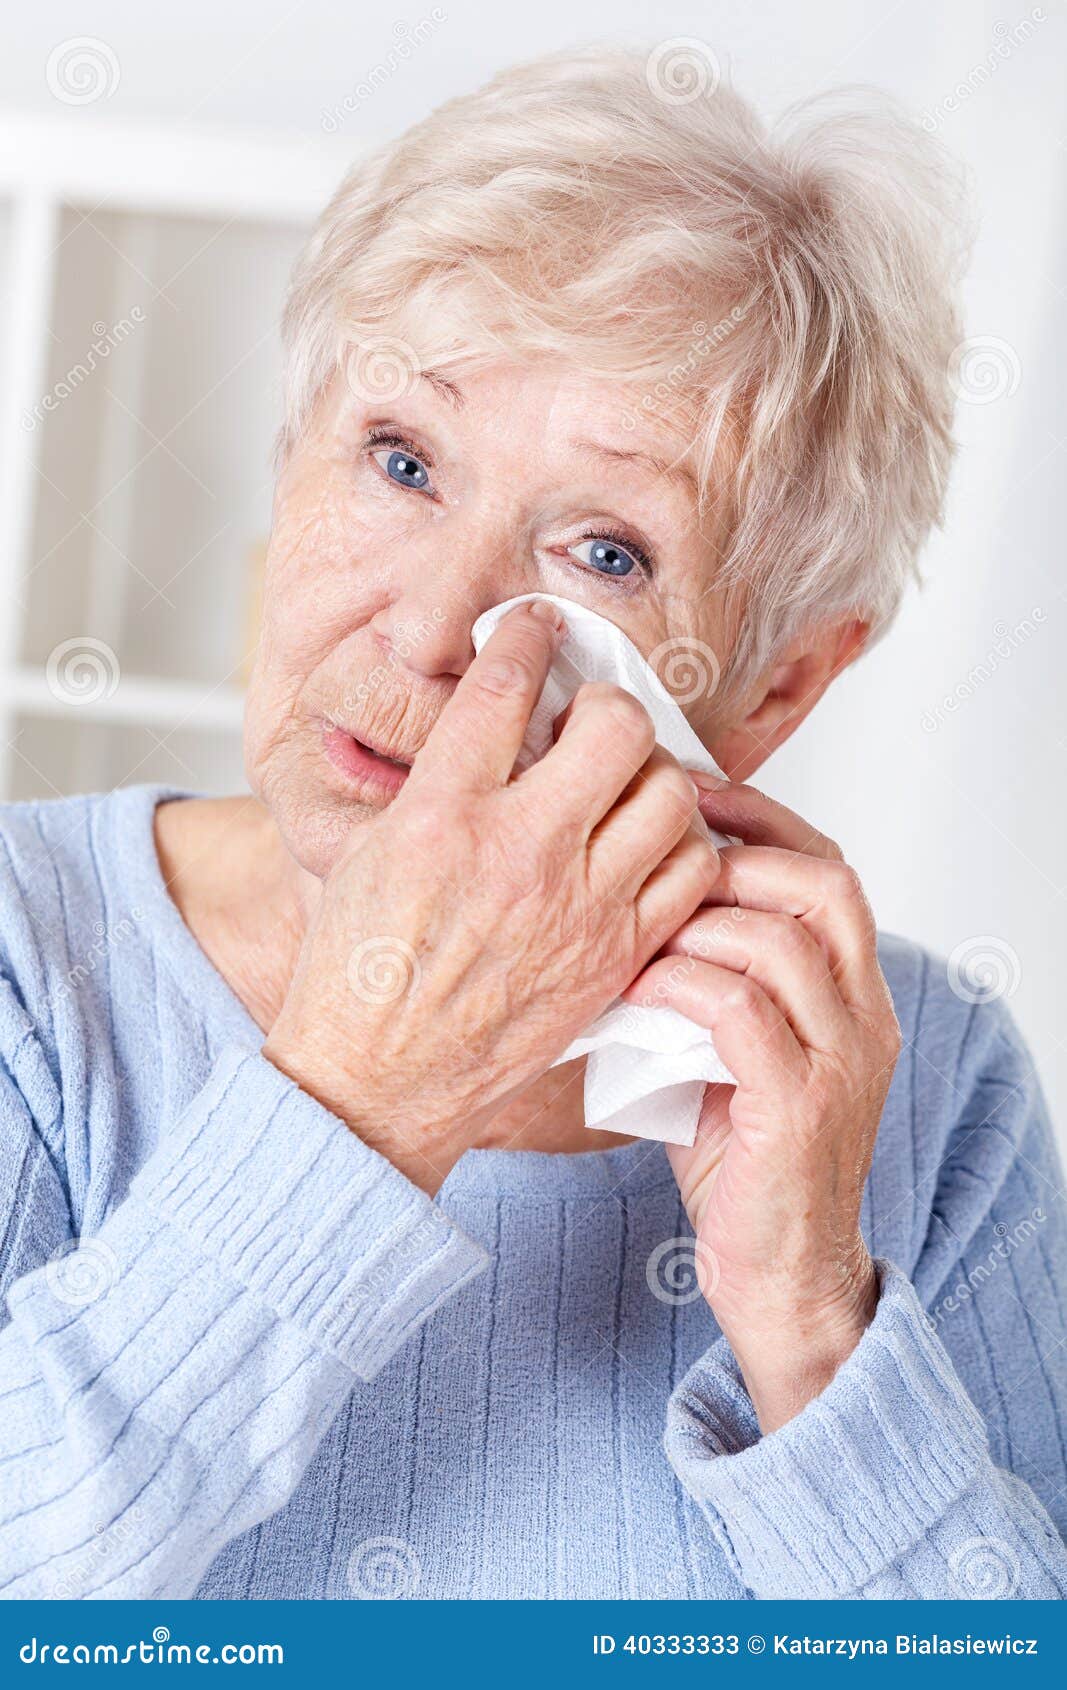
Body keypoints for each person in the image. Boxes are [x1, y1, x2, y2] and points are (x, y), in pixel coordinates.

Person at [0, 46, 1064, 1601]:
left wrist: (819, 1336)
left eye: (606, 552)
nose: (436, 629)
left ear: (773, 683)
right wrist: (369, 1093)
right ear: (291, 455)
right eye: (402, 458)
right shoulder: (33, 963)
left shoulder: (930, 1092)